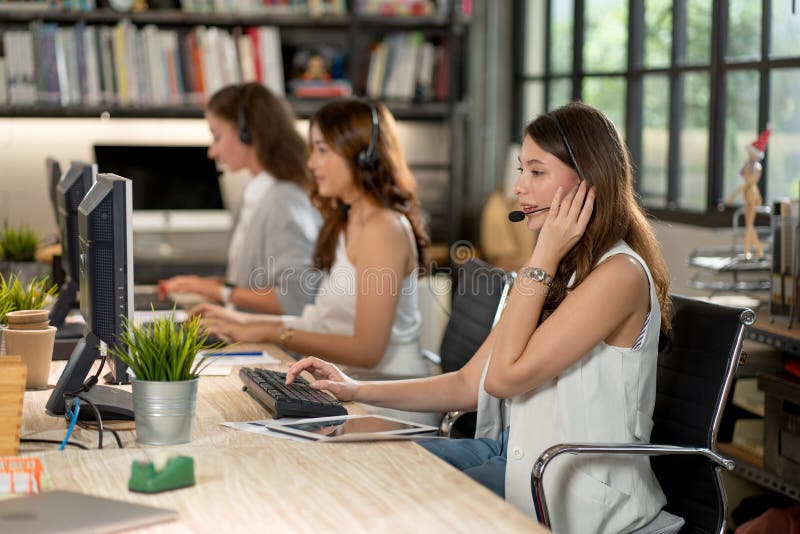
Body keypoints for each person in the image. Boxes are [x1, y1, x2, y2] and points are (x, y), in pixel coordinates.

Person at [282, 102, 674, 533]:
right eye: (520, 169)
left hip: (568, 484)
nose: (520, 188)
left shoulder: (618, 275)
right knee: (359, 467)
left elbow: (503, 380)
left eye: (536, 172)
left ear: (588, 183)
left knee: (391, 510)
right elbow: (469, 383)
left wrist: (540, 257)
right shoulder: (559, 269)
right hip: (513, 455)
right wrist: (353, 388)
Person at [193, 99, 431, 379]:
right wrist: (242, 321)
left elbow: (367, 351)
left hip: (387, 396)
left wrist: (273, 331)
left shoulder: (383, 229)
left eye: (322, 150)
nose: (311, 163)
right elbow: (322, 321)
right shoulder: (349, 218)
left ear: (361, 155)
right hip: (346, 385)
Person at [159, 82, 321, 315]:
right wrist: (205, 286)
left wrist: (220, 292)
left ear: (247, 133)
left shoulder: (284, 201)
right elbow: (257, 282)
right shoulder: (255, 192)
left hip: (276, 348)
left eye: (217, 136)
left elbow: (296, 297)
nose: (212, 151)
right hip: (249, 336)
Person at [725, 128, 771, 258]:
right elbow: (744, 178)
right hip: (747, 193)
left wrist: (732, 197)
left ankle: (748, 250)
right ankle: (755, 249)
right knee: (748, 225)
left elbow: (749, 183)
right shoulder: (748, 165)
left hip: (751, 194)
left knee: (749, 225)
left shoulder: (756, 168)